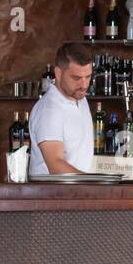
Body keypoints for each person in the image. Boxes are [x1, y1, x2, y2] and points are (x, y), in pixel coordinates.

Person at [28, 42, 95, 176]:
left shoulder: (80, 98)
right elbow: (55, 166)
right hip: (53, 190)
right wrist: (93, 182)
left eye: (88, 77)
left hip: (77, 188)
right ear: (58, 73)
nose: (84, 85)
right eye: (76, 78)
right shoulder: (49, 110)